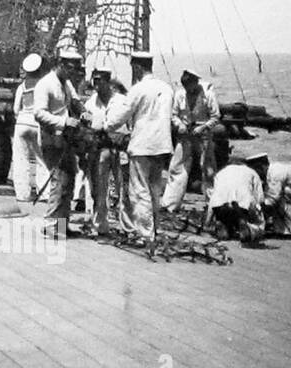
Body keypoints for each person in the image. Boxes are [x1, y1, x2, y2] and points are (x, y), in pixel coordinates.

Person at [105, 50, 175, 243]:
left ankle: (145, 235)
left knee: (139, 191)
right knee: (154, 190)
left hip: (142, 146)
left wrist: (106, 125)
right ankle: (155, 230)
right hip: (162, 146)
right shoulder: (167, 88)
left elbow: (118, 118)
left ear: (136, 67)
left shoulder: (138, 89)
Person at [33, 49, 84, 232]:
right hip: (51, 138)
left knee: (69, 180)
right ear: (61, 64)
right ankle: (50, 223)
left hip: (67, 139)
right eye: (70, 68)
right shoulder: (45, 84)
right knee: (59, 180)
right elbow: (39, 113)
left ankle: (62, 224)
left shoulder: (66, 84)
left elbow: (75, 102)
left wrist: (83, 112)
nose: (72, 73)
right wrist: (63, 122)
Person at [163, 69, 220, 212]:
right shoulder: (180, 95)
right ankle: (171, 203)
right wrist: (179, 125)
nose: (189, 90)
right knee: (177, 167)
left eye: (191, 86)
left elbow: (215, 116)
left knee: (208, 169)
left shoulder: (208, 95)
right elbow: (174, 115)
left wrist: (203, 127)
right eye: (186, 87)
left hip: (203, 135)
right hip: (186, 135)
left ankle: (213, 205)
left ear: (196, 83)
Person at [79, 68, 128, 236]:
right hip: (100, 149)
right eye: (95, 81)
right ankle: (100, 224)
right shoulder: (90, 103)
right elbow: (85, 127)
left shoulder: (121, 101)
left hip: (120, 149)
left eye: (100, 80)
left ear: (108, 82)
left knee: (124, 189)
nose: (97, 84)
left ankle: (128, 227)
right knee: (99, 188)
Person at [10, 53, 47, 202]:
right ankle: (44, 193)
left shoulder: (22, 86)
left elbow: (15, 109)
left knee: (20, 159)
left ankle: (22, 194)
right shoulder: (44, 85)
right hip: (38, 124)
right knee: (42, 160)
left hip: (22, 123)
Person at [209, 154, 268, 243]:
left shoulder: (221, 173)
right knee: (257, 223)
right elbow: (260, 198)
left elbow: (213, 197)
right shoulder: (251, 172)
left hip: (220, 207)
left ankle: (222, 224)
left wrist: (208, 221)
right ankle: (246, 225)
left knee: (224, 213)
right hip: (242, 207)